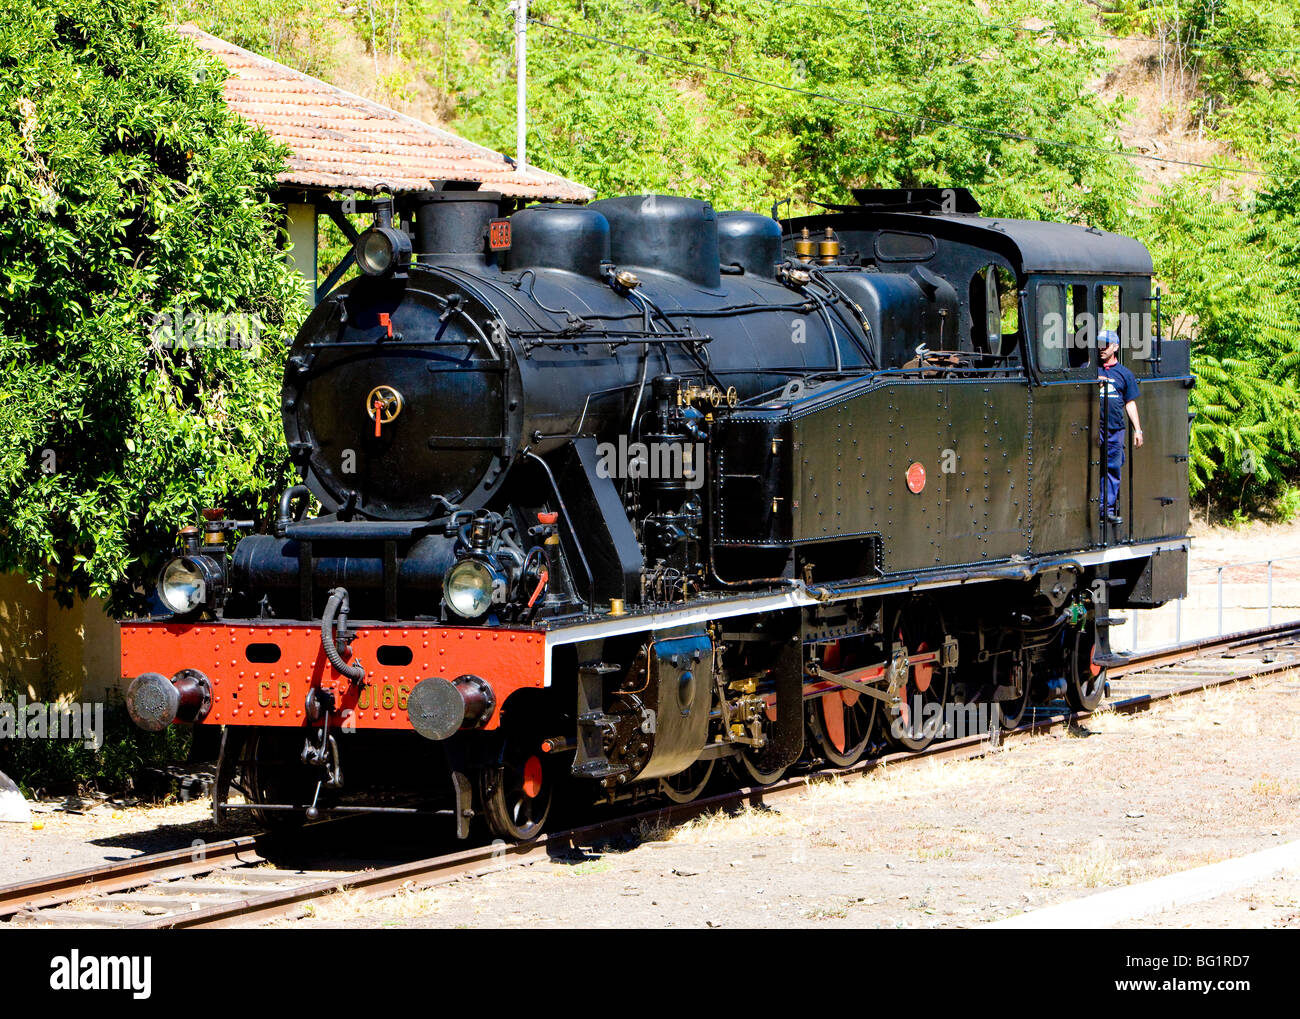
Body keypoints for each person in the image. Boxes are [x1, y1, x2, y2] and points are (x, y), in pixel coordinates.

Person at [1097, 330, 1143, 524]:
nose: (1101, 348)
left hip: (1115, 428)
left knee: (1113, 468)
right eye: (1099, 344)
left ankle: (1106, 509)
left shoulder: (1125, 374)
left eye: (1105, 345)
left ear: (1115, 347)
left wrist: (1137, 430)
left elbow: (1130, 403)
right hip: (1093, 428)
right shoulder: (1090, 369)